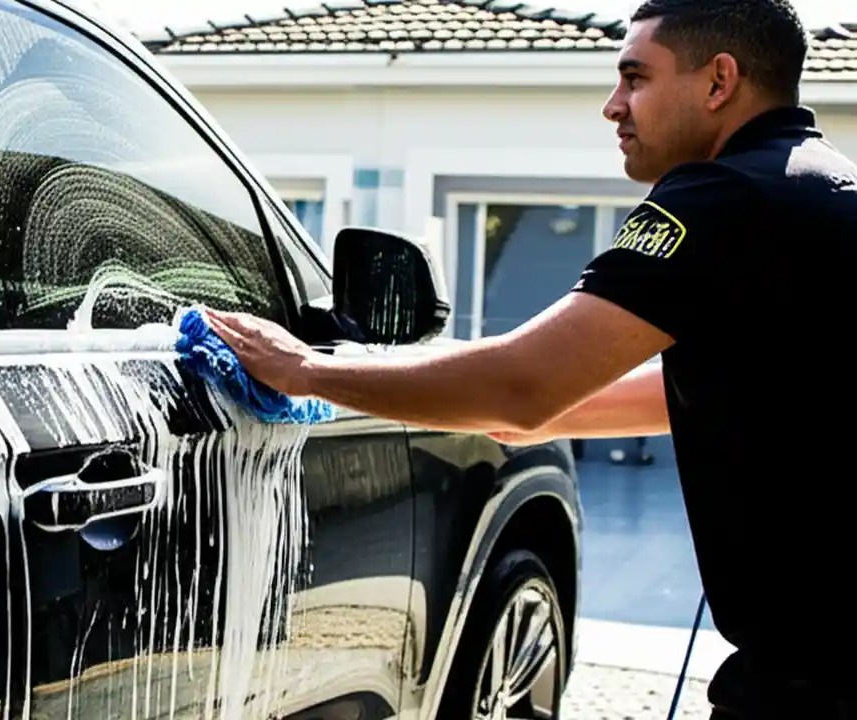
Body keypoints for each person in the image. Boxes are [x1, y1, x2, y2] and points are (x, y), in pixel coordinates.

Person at [204, 0, 857, 717]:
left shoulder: (724, 195)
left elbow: (521, 383)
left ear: (718, 81)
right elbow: (715, 391)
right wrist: (531, 416)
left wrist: (302, 370)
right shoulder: (822, 188)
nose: (614, 107)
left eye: (635, 78)